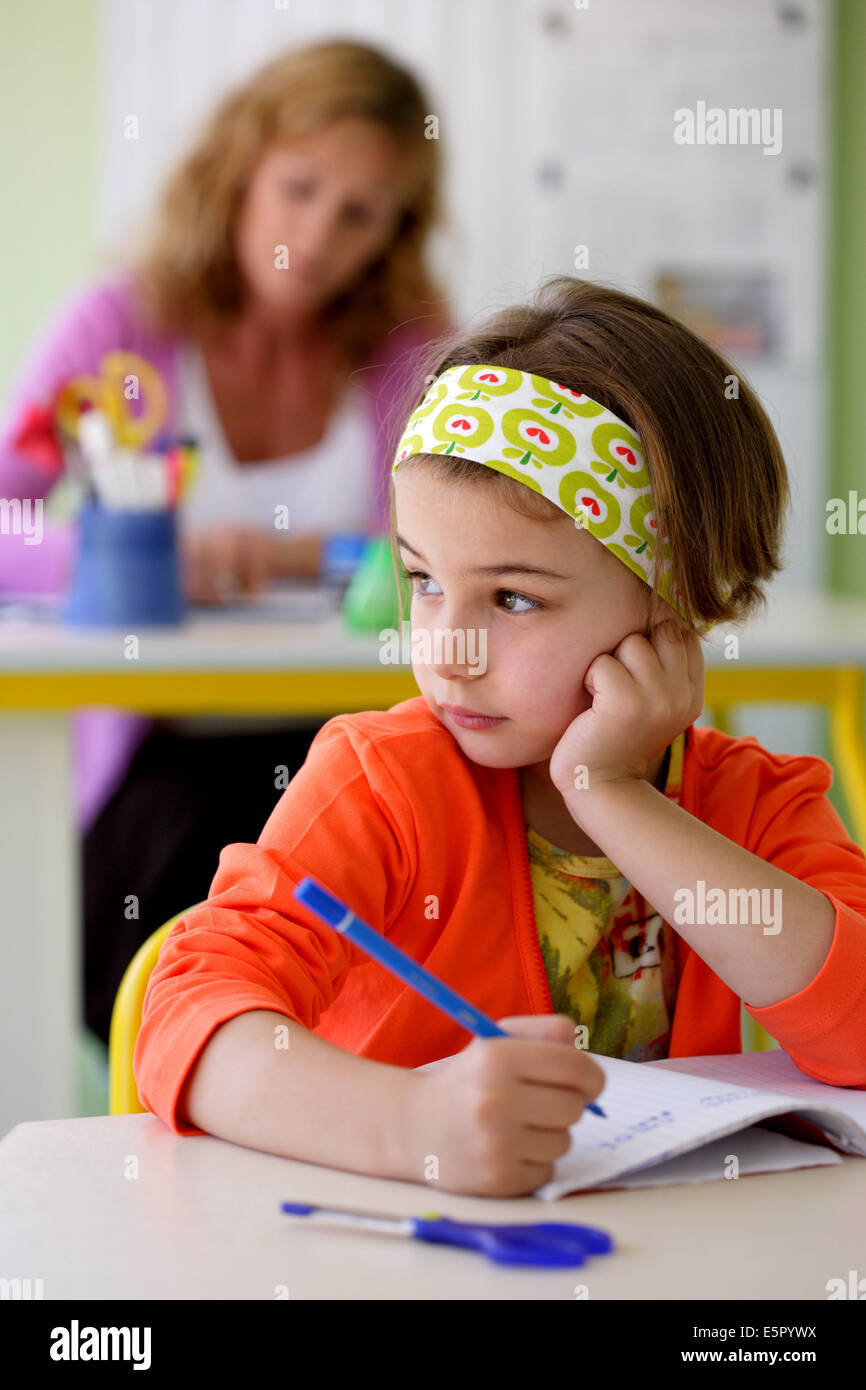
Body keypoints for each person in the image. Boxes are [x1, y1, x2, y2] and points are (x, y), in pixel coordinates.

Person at [133, 276, 866, 1198]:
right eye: (424, 580)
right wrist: (412, 1127)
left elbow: (858, 1032)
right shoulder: (380, 785)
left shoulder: (754, 803)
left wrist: (614, 794)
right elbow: (189, 1010)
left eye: (514, 598)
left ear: (680, 602)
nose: (446, 648)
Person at [0, 39, 450, 1043]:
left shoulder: (406, 345)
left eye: (359, 212)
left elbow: (452, 545)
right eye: (297, 187)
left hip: (355, 755)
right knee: (195, 979)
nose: (316, 234)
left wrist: (295, 554)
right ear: (238, 169)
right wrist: (119, 557)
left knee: (410, 938)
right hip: (165, 765)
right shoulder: (118, 325)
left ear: (393, 229)